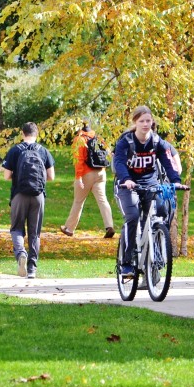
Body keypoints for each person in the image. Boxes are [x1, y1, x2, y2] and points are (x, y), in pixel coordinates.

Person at [113, 106, 183, 280]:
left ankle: (156, 257)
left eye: (148, 121)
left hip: (151, 184)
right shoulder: (125, 141)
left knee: (162, 212)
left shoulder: (157, 141)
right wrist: (126, 179)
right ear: (135, 122)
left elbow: (168, 161)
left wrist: (175, 181)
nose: (145, 124)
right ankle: (127, 263)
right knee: (133, 216)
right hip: (127, 185)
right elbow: (119, 163)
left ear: (152, 122)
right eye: (142, 121)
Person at [1, 122, 56, 279]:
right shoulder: (44, 151)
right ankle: (32, 269)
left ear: (22, 134)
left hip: (19, 194)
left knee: (17, 228)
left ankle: (20, 254)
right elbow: (51, 176)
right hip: (38, 196)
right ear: (36, 134)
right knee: (35, 233)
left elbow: (6, 176)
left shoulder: (15, 150)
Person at [61, 124, 115, 239]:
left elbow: (79, 160)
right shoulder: (99, 138)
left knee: (78, 201)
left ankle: (69, 229)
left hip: (86, 174)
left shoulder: (79, 139)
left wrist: (78, 177)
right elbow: (108, 154)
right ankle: (109, 226)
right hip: (101, 172)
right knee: (102, 199)